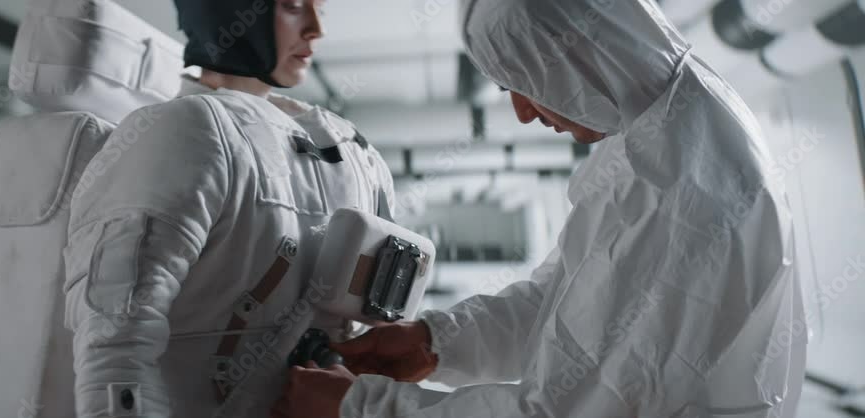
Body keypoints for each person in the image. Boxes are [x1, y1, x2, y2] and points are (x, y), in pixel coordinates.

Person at [271, 0, 807, 417]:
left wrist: (355, 409)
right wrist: (438, 344)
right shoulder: (658, 134)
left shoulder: (686, 189)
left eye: (521, 85)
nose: (523, 113)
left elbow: (577, 410)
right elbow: (566, 304)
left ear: (580, 56)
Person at [63, 1, 395, 417]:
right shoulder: (184, 131)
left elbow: (370, 328)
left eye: (319, 7)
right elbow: (114, 345)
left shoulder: (354, 153)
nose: (315, 29)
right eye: (293, 5)